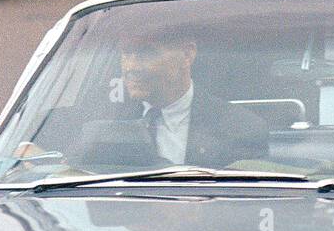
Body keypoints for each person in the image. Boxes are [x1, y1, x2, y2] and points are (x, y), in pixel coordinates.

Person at [76, 31, 271, 170]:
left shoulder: (240, 129)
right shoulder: (98, 117)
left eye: (146, 53)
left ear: (187, 55)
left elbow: (241, 206)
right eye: (126, 53)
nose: (131, 67)